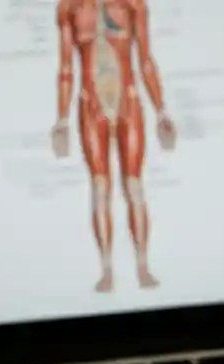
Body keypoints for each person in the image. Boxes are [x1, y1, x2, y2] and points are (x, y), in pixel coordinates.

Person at [54, 0, 177, 293]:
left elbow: (145, 59)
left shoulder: (133, 4)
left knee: (134, 186)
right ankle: (107, 270)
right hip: (91, 105)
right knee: (100, 188)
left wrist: (161, 110)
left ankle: (142, 266)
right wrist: (62, 119)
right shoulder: (69, 7)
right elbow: (66, 67)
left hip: (127, 102)